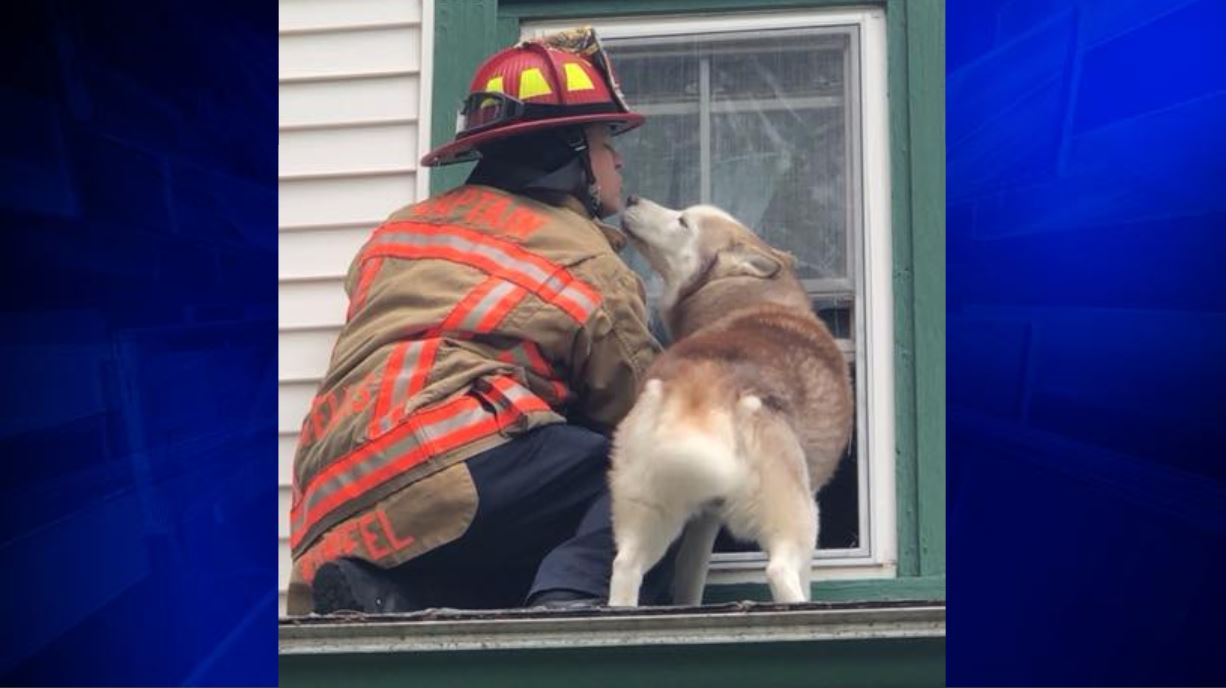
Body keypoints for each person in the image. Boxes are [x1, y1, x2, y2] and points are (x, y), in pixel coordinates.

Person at [285, 28, 670, 614]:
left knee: (509, 540)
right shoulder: (587, 259)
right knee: (660, 464)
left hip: (331, 506)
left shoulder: (400, 232)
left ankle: (390, 596)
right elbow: (643, 413)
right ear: (571, 155)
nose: (616, 156)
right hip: (453, 459)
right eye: (604, 137)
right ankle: (571, 601)